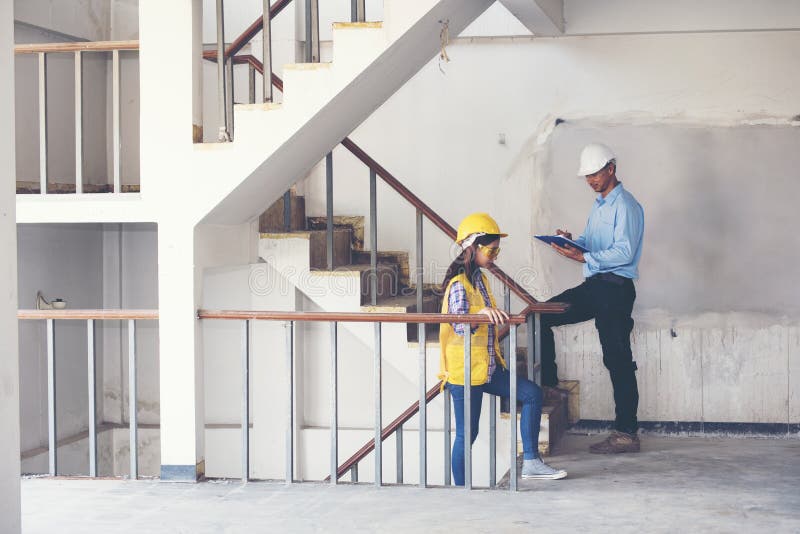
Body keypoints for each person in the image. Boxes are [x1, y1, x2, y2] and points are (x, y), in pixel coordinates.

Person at [439, 212, 567, 484]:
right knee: (467, 434)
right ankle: (463, 492)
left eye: (497, 250)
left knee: (531, 394)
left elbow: (484, 315)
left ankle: (531, 461)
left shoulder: (480, 279)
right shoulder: (459, 284)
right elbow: (460, 325)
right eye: (491, 249)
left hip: (486, 368)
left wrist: (493, 313)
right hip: (464, 374)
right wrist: (481, 313)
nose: (495, 255)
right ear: (472, 247)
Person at [544, 142, 645, 454]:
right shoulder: (600, 206)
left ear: (611, 169)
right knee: (540, 315)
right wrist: (571, 242)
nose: (590, 180)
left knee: (618, 361)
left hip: (615, 290)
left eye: (595, 174)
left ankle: (626, 433)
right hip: (597, 286)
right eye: (586, 176)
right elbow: (593, 244)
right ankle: (550, 387)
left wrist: (583, 258)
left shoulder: (626, 206)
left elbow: (624, 252)